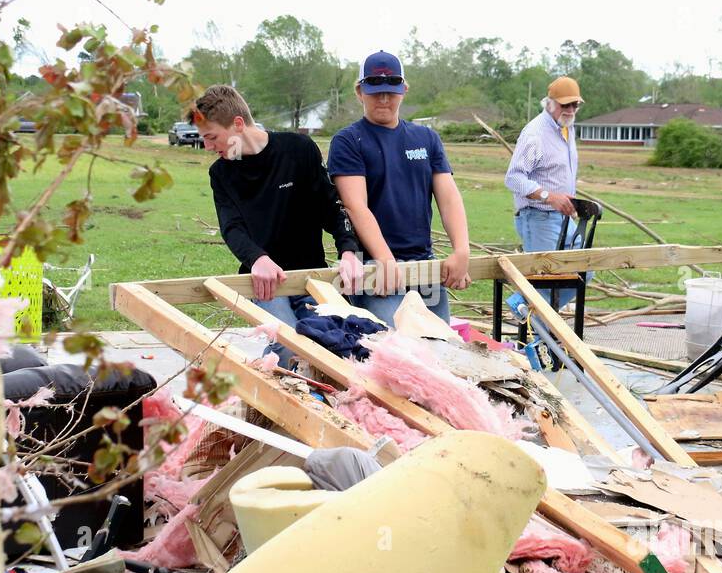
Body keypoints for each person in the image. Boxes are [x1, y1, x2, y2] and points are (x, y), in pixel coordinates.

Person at [195, 84, 364, 368]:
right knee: (286, 346)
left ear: (237, 124)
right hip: (265, 282)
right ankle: (268, 404)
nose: (208, 147)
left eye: (212, 137)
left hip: (310, 273)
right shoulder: (221, 173)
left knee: (333, 346)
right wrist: (257, 259)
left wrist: (348, 250)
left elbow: (332, 208)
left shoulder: (298, 151)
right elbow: (232, 227)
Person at [328, 50, 471, 324]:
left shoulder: (426, 138)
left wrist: (461, 250)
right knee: (393, 349)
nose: (383, 99)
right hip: (375, 268)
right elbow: (355, 206)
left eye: (391, 91)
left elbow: (449, 197)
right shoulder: (348, 141)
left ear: (404, 90)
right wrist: (384, 257)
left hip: (424, 264)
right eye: (374, 92)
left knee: (440, 346)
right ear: (359, 92)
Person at [502, 76, 592, 319]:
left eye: (575, 105)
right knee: (546, 277)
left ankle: (527, 306)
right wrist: (549, 196)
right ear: (549, 103)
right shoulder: (535, 134)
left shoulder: (566, 128)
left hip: (561, 218)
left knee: (586, 269)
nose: (571, 110)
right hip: (538, 217)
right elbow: (513, 178)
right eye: (565, 105)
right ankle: (531, 318)